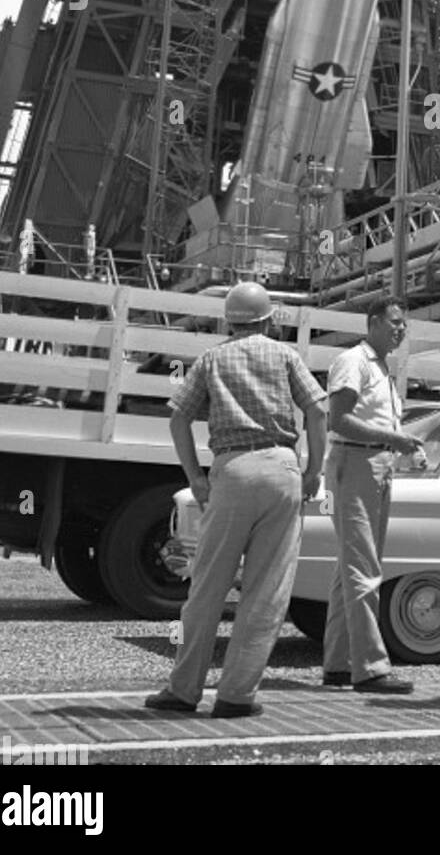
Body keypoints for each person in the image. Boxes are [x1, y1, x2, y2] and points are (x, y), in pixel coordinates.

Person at [145, 281, 327, 718]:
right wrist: (313, 470)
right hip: (281, 469)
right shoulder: (286, 356)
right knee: (266, 590)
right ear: (269, 320)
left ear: (229, 320)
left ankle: (184, 690)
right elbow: (319, 411)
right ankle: (236, 696)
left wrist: (196, 478)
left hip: (230, 470)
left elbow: (178, 420)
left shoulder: (211, 359)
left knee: (207, 587)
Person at [322, 295, 424, 694]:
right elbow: (339, 419)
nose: (401, 329)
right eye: (395, 322)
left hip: (373, 465)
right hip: (357, 463)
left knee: (350, 567)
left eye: (404, 324)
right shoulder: (354, 361)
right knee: (364, 569)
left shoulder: (380, 367)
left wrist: (391, 445)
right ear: (373, 323)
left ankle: (339, 663)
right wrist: (392, 438)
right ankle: (371, 668)